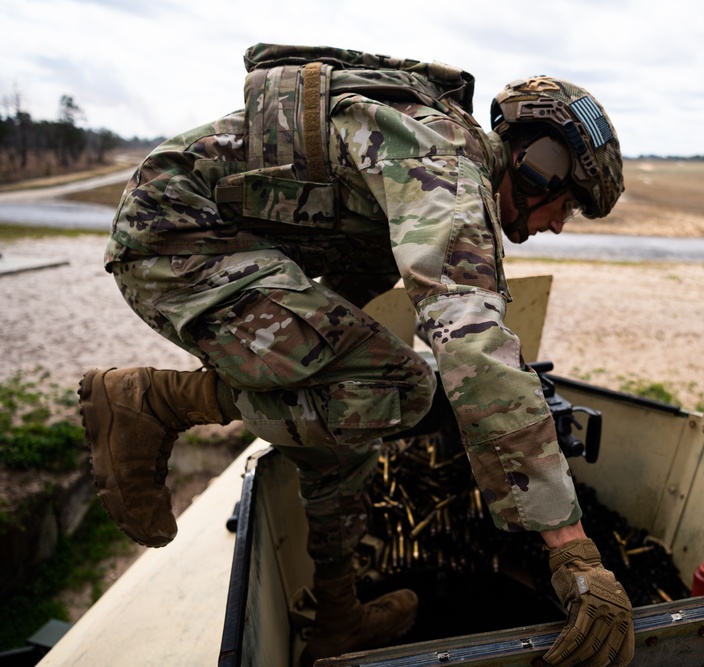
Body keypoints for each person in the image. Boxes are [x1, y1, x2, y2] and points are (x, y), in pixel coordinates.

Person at [78, 43, 634, 667]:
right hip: (175, 237)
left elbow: (373, 310)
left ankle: (337, 619)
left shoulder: (438, 158)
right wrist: (572, 549)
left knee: (354, 407)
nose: (561, 223)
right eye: (571, 202)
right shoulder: (444, 165)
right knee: (401, 389)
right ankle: (153, 401)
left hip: (223, 247)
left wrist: (326, 389)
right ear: (541, 166)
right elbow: (471, 341)